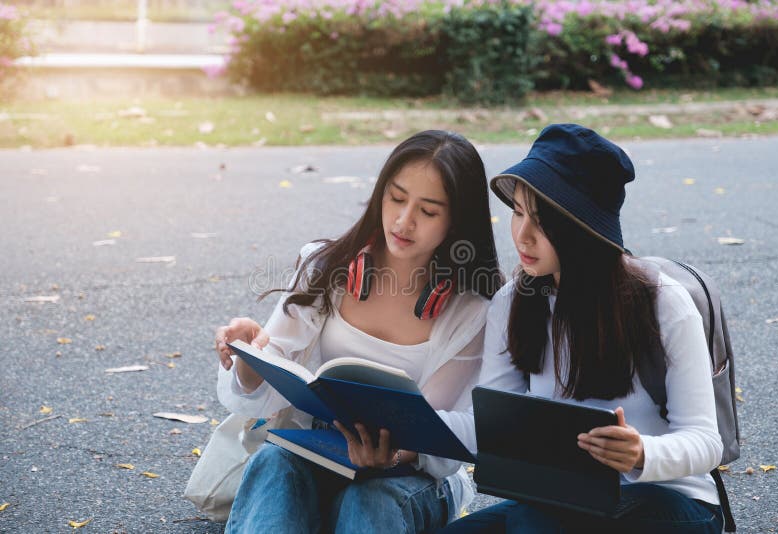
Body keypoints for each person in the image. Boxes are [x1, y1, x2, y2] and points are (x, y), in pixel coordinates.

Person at [438, 124, 725, 533]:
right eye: (517, 212)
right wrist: (399, 430)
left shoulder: (662, 303)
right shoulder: (513, 301)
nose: (522, 235)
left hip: (670, 501)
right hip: (562, 498)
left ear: (584, 226)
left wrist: (641, 453)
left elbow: (706, 442)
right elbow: (489, 424)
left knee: (537, 520)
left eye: (542, 221)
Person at [214, 130, 503, 533]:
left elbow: (440, 432)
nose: (404, 221)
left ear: (457, 221)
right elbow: (265, 384)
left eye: (428, 211)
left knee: (370, 498)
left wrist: (395, 453)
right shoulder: (324, 266)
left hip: (409, 474)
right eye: (396, 198)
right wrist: (248, 354)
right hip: (316, 447)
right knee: (273, 462)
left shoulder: (471, 311)